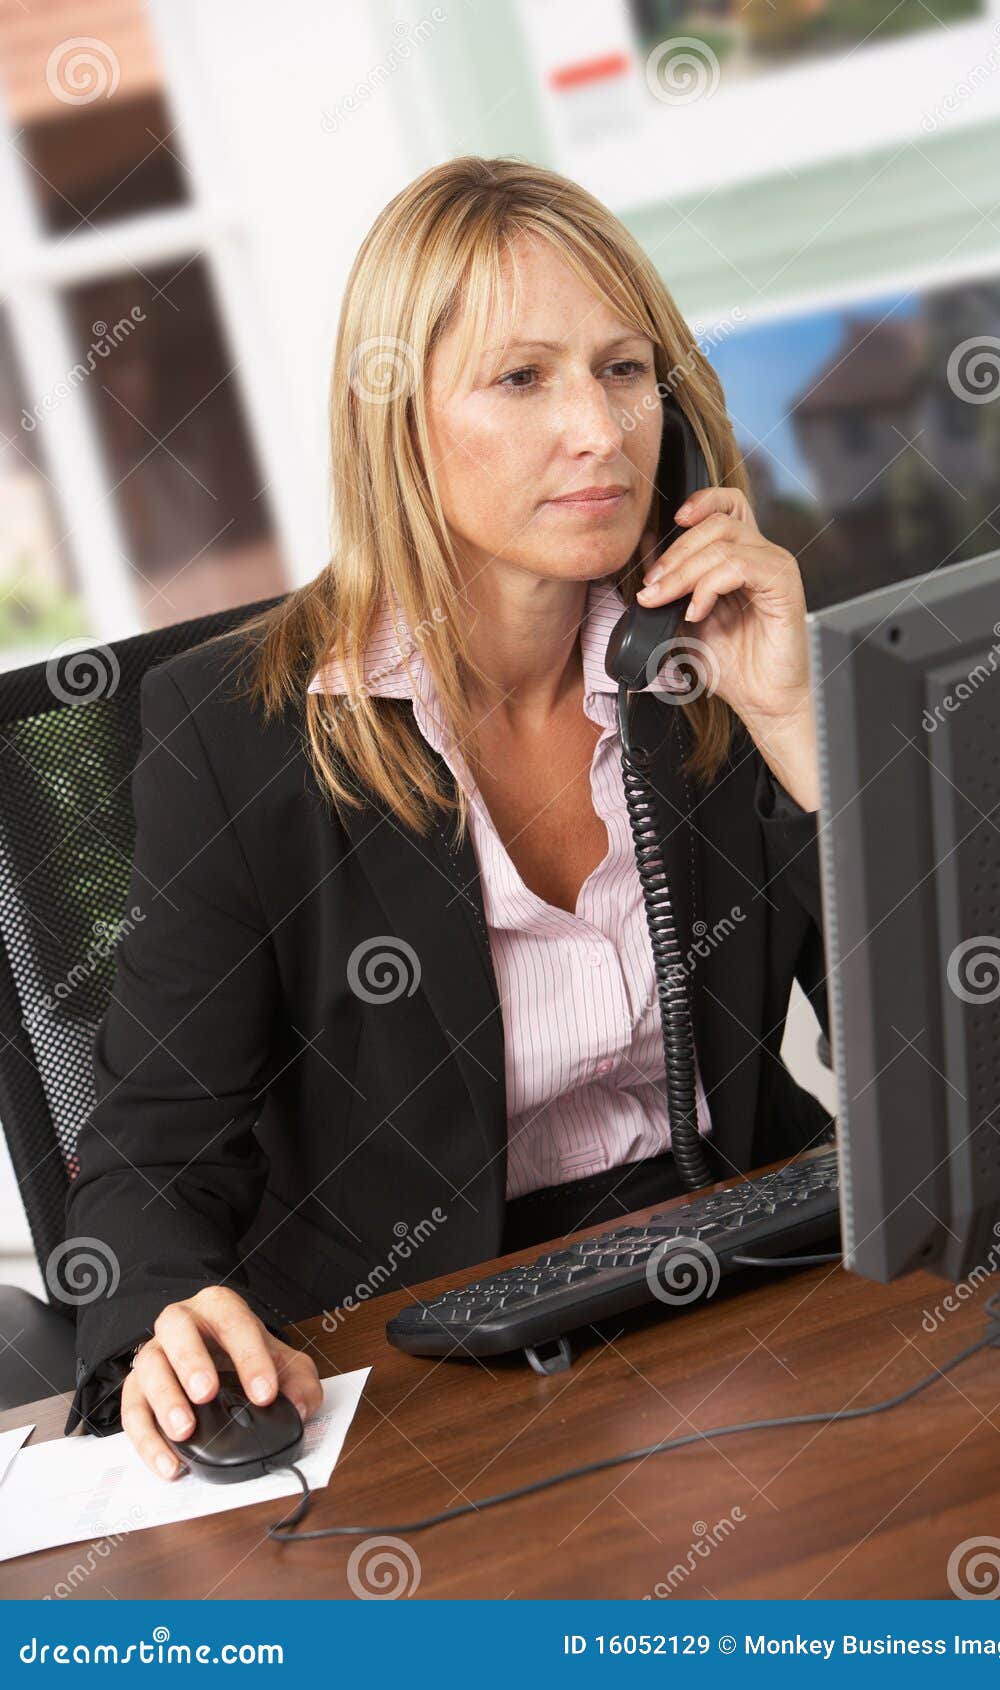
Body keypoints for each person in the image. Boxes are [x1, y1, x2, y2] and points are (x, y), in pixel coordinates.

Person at [63, 156, 831, 1482]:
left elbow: (953, 1026)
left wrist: (800, 728)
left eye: (626, 370)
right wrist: (162, 1325)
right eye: (521, 378)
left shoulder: (706, 657)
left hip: (762, 1290)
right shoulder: (244, 732)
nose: (600, 430)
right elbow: (155, 1144)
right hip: (430, 1367)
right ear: (396, 422)